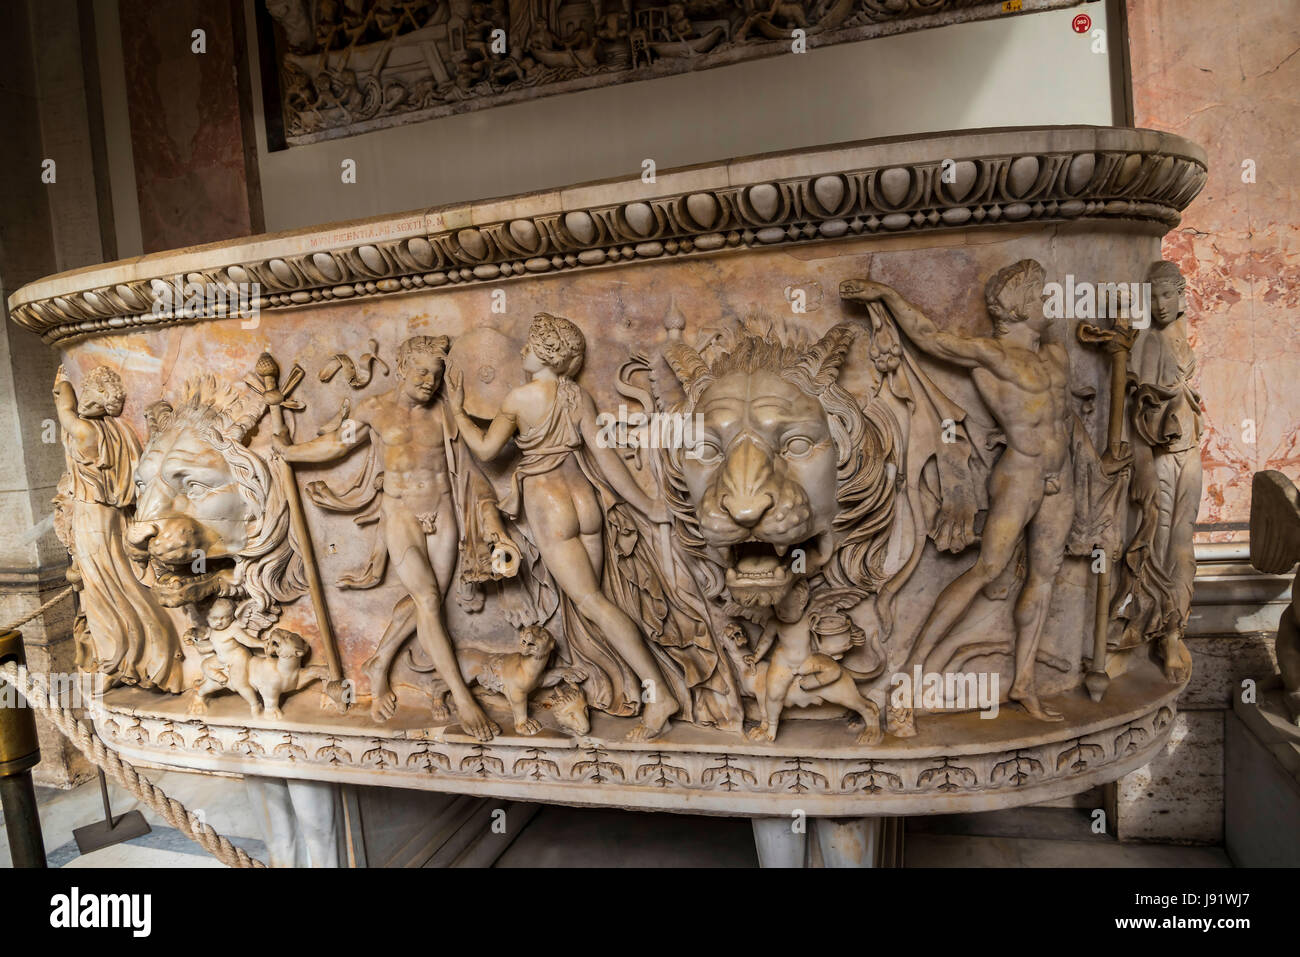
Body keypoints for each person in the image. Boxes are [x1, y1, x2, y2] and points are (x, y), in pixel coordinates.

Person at [849, 261, 1074, 721]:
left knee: (1045, 577)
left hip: (1061, 478)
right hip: (1021, 473)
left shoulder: (1056, 357)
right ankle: (909, 679)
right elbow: (930, 338)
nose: (1048, 302)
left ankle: (1025, 681)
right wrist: (887, 295)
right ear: (1018, 305)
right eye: (1040, 295)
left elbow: (1066, 417)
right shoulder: (992, 355)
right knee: (988, 568)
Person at [448, 313, 679, 739]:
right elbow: (606, 459)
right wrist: (646, 503)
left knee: (594, 604)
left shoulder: (519, 399)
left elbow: (484, 450)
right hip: (585, 501)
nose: (522, 351)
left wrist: (458, 412)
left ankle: (658, 693)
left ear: (546, 352)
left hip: (549, 502)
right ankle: (624, 683)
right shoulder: (578, 397)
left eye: (530, 346)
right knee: (598, 603)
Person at [275, 336, 512, 740]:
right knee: (427, 600)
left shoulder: (444, 414)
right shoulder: (375, 410)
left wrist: (493, 525)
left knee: (428, 603)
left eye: (435, 375)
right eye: (421, 371)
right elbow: (337, 443)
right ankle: (463, 698)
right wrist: (291, 452)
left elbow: (475, 461)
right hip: (401, 514)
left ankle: (379, 662)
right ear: (401, 368)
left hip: (442, 514)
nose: (429, 381)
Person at [53, 365, 183, 692]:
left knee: (101, 590)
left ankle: (117, 661)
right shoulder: (119, 432)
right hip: (113, 516)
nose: (84, 398)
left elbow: (64, 409)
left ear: (97, 400)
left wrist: (62, 382)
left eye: (90, 392)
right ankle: (150, 655)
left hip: (91, 518)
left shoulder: (86, 432)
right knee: (122, 583)